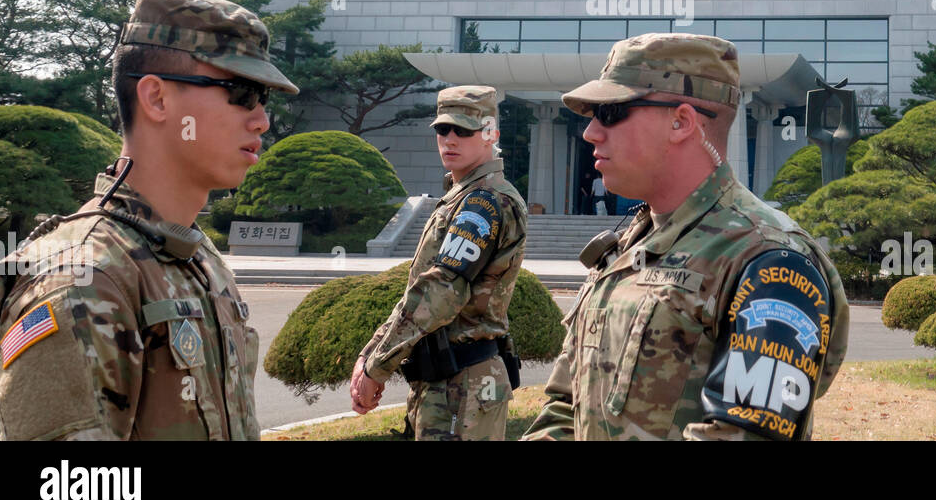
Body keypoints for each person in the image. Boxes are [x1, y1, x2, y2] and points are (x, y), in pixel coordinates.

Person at [0, 0, 296, 440]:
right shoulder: (83, 277)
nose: (261, 120)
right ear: (156, 98)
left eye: (265, 99)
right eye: (242, 93)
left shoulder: (197, 257)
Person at [521, 32, 849, 441]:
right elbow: (566, 409)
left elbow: (743, 435)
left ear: (681, 122)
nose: (589, 133)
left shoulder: (769, 261)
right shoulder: (629, 247)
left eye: (609, 114)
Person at [350, 86, 527, 440]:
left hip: (464, 385)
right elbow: (422, 288)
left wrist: (376, 365)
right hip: (447, 383)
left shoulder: (484, 202)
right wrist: (370, 355)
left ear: (491, 133)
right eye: (442, 130)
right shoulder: (462, 197)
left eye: (463, 130)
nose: (449, 139)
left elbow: (440, 290)